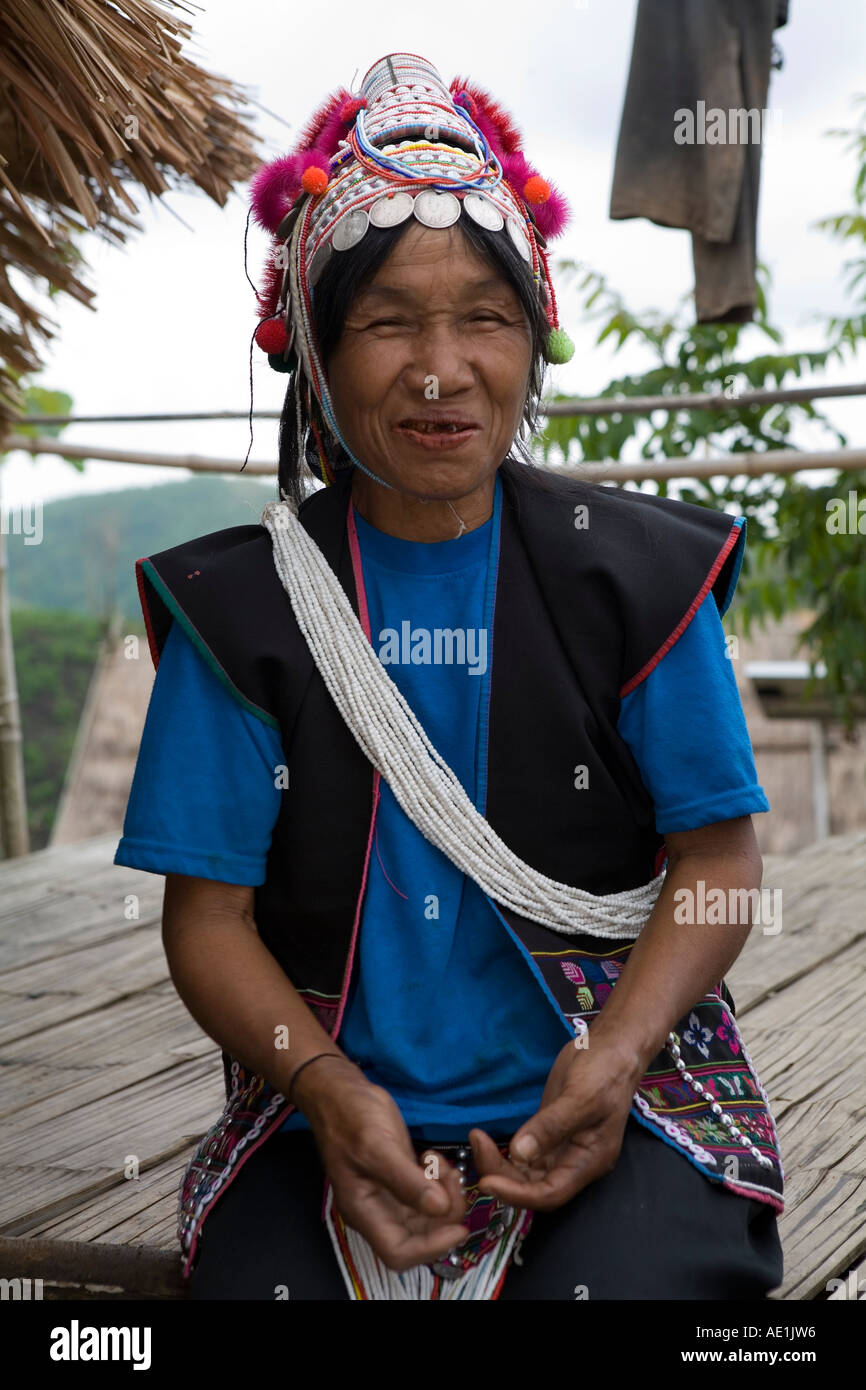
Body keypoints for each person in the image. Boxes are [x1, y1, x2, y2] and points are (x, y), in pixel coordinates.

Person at [114, 52, 785, 1300]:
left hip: (620, 1091)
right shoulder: (244, 610)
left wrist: (618, 1055)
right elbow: (206, 920)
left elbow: (715, 862)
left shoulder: (631, 581)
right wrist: (320, 1084)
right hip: (326, 1106)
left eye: (482, 315)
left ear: (532, 339)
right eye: (386, 322)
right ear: (315, 352)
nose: (439, 367)